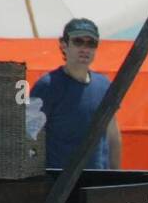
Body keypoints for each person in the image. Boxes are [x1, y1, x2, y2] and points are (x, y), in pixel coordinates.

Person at [30, 18, 123, 170]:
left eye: (91, 43)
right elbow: (29, 136)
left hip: (98, 183)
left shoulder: (104, 85)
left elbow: (113, 135)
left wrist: (116, 179)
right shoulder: (47, 86)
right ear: (64, 45)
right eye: (78, 41)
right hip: (58, 185)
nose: (85, 48)